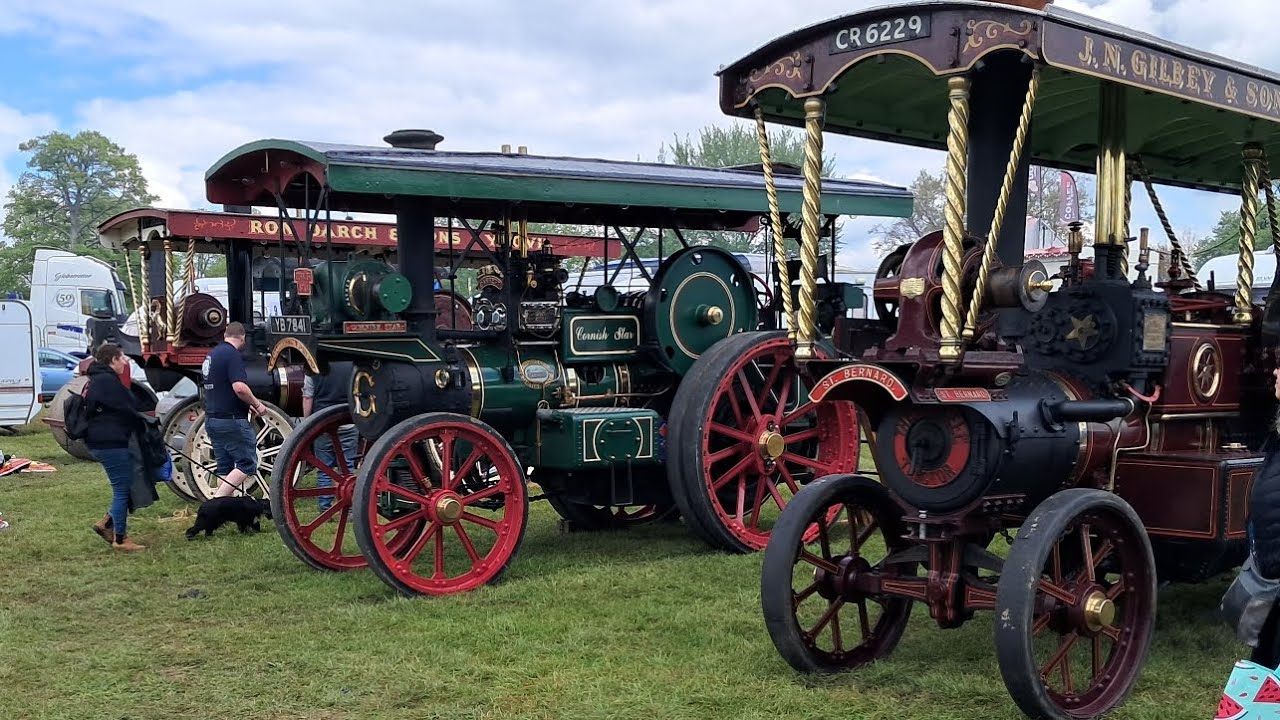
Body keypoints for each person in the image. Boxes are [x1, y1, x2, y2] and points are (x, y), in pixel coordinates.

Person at [85, 343, 147, 551]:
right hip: (110, 442)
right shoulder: (107, 382)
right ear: (112, 360)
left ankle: (106, 523)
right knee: (121, 489)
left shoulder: (99, 379)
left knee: (125, 486)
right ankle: (120, 539)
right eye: (121, 358)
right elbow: (127, 408)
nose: (125, 361)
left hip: (103, 440)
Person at [201, 322, 268, 498]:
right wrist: (257, 404)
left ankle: (225, 510)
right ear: (243, 337)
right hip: (231, 420)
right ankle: (216, 502)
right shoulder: (232, 355)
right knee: (247, 463)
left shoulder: (212, 354)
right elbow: (240, 388)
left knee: (225, 468)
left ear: (225, 335)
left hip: (212, 419)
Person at [303, 361, 357, 511]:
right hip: (348, 422)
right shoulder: (352, 365)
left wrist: (306, 423)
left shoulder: (314, 366)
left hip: (323, 423)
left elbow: (308, 397)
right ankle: (350, 507)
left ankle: (324, 507)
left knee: (324, 468)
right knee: (347, 468)